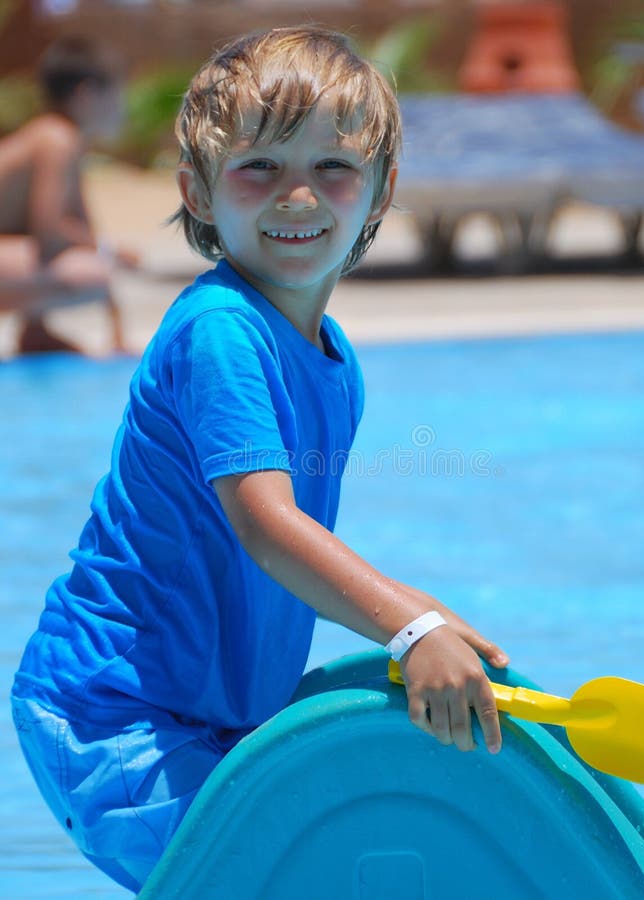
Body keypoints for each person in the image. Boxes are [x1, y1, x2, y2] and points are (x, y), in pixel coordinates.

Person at [11, 26, 510, 892]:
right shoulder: (220, 334)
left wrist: (418, 610)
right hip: (115, 715)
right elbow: (266, 527)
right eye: (259, 168)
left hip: (218, 717)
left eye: (332, 168)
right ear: (197, 191)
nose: (297, 198)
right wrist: (408, 626)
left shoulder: (332, 361)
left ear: (381, 189)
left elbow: (289, 546)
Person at [0, 35, 136, 354]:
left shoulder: (56, 138)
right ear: (87, 93)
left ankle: (36, 328)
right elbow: (52, 234)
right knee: (89, 271)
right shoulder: (57, 139)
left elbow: (76, 230)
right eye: (117, 93)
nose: (122, 106)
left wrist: (117, 332)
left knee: (93, 263)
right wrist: (111, 252)